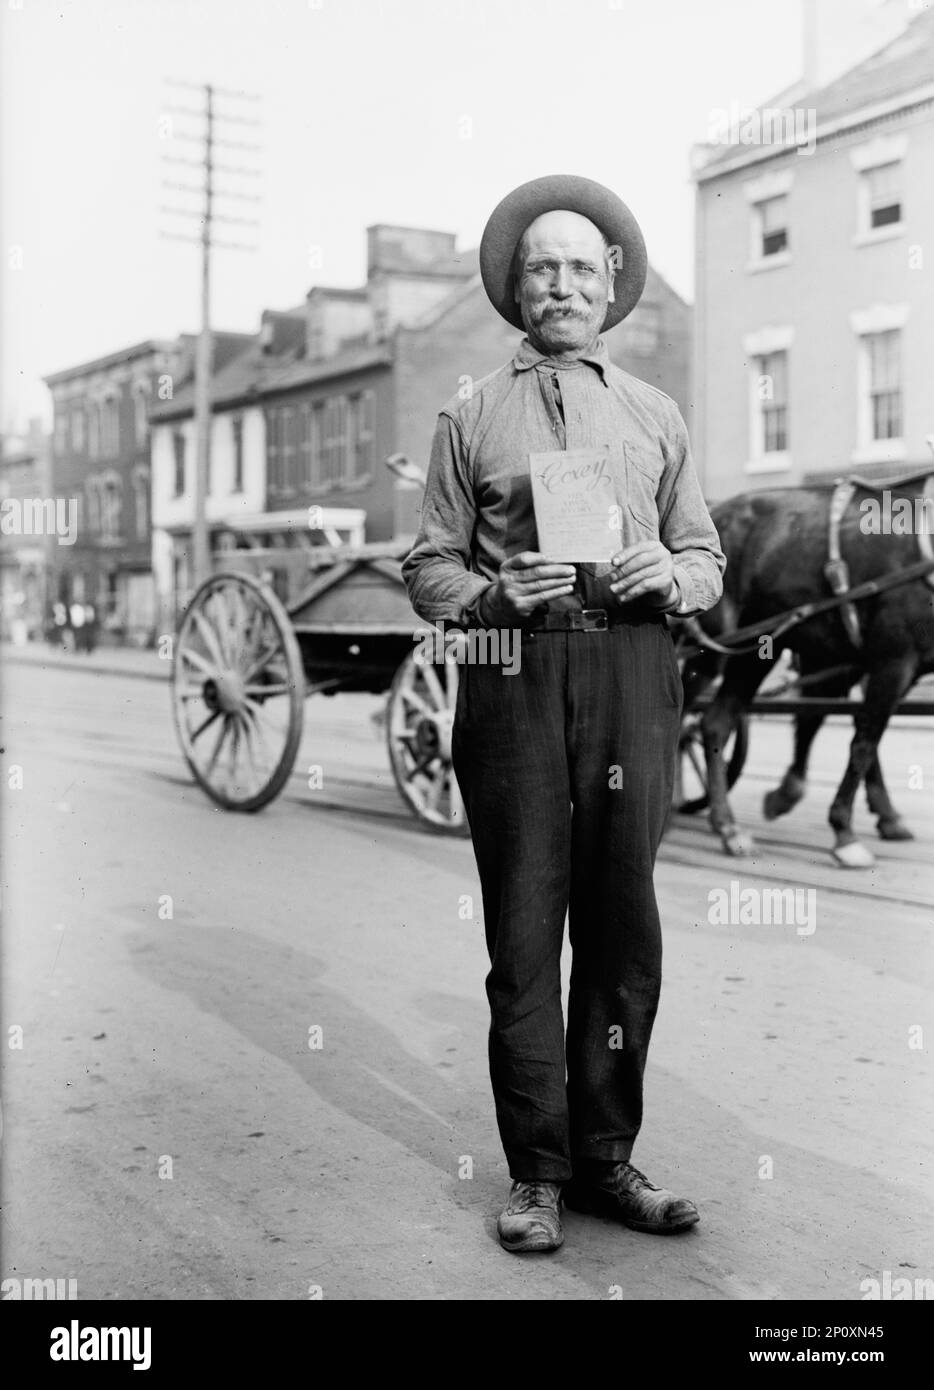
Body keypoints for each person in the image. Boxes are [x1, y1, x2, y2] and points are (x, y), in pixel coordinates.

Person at [403, 175, 726, 1253]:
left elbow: (706, 558)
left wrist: (667, 575)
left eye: (583, 268)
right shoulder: (469, 412)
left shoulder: (654, 413)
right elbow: (428, 568)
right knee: (525, 936)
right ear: (515, 285)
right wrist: (495, 597)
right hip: (513, 679)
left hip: (633, 679)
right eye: (542, 266)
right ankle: (535, 1173)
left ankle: (604, 1161)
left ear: (611, 284)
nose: (563, 285)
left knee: (626, 938)